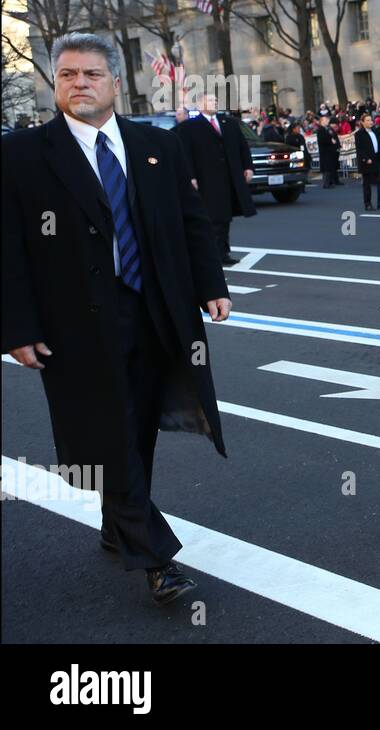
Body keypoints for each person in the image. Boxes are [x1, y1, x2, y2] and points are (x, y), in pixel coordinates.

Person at [2, 33, 231, 605]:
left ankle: (117, 522)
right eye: (67, 75)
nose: (78, 83)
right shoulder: (22, 154)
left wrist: (210, 286)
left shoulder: (157, 145)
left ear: (115, 82)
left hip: (155, 312)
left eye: (91, 74)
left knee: (137, 426)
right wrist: (17, 327)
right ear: (55, 83)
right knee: (103, 430)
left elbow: (190, 220)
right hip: (73, 325)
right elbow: (7, 249)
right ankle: (155, 558)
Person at [174, 93, 256, 266]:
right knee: (212, 218)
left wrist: (248, 167)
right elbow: (184, 154)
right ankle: (211, 254)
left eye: (216, 100)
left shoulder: (229, 123)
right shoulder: (189, 127)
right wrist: (190, 177)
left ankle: (223, 253)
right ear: (200, 104)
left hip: (229, 179)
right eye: (211, 100)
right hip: (206, 180)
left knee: (225, 218)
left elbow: (243, 147)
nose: (215, 103)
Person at [354, 113, 380, 211]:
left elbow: (378, 146)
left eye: (371, 120)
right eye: (368, 120)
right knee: (367, 184)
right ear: (362, 122)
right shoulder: (359, 134)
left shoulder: (374, 131)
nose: (370, 122)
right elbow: (359, 149)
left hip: (376, 160)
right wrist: (365, 159)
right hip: (367, 162)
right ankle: (368, 204)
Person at [315, 114, 341, 188]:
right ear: (322, 121)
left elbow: (333, 136)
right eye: (325, 120)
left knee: (330, 167)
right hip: (325, 151)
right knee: (326, 168)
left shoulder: (328, 129)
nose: (327, 121)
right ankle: (326, 183)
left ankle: (330, 182)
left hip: (330, 151)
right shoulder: (320, 129)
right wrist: (330, 140)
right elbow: (322, 140)